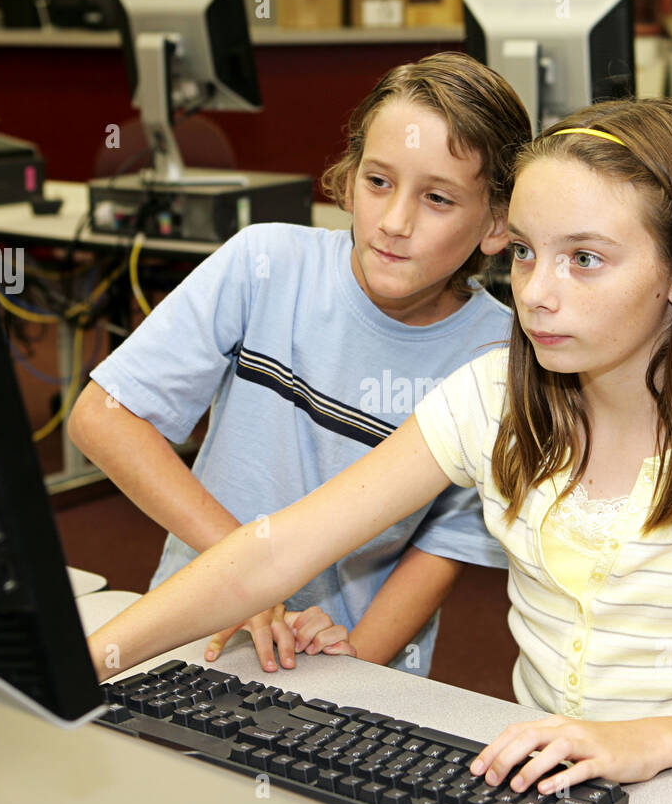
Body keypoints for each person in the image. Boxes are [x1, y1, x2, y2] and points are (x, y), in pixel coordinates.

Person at [85, 97, 672, 796]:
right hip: (541, 780)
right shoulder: (492, 400)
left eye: (586, 259)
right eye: (528, 252)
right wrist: (90, 656)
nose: (537, 291)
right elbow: (273, 552)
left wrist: (653, 742)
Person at [69, 52, 531, 677]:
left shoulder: (501, 357)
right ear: (348, 177)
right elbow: (102, 417)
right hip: (190, 625)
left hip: (342, 653)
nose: (394, 222)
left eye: (438, 198)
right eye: (378, 182)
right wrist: (247, 574)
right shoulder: (265, 264)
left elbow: (442, 551)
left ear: (497, 223)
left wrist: (353, 664)